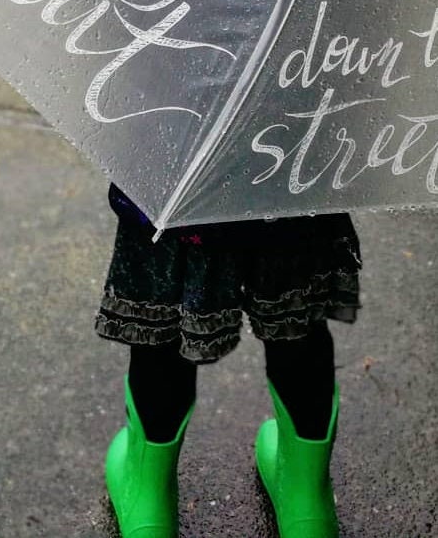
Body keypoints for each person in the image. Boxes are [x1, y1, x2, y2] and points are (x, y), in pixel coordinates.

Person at [96, 184, 360, 538]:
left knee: (164, 334)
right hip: (288, 193)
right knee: (298, 328)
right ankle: (306, 507)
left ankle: (149, 506)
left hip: (177, 202)